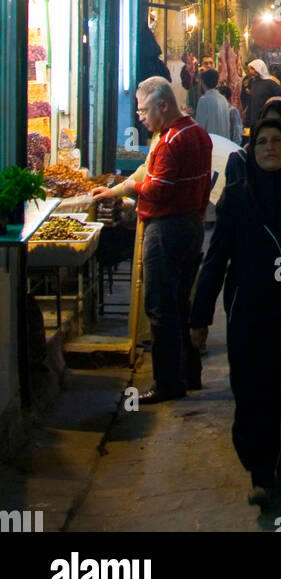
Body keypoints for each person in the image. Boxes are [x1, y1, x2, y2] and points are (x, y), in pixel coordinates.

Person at [190, 113, 281, 506]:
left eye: (276, 141)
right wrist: (200, 316)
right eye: (261, 143)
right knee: (254, 390)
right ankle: (260, 469)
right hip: (250, 311)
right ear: (251, 150)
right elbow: (216, 258)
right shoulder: (238, 196)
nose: (269, 148)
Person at [92, 77, 212, 403]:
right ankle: (189, 374)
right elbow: (145, 172)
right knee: (179, 303)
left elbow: (156, 188)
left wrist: (131, 200)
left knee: (160, 308)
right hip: (191, 225)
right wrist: (115, 191)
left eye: (144, 110)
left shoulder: (173, 140)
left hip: (166, 229)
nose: (140, 117)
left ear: (162, 105)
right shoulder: (195, 133)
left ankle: (167, 383)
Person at [244, 58, 281, 129]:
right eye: (250, 69)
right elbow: (251, 102)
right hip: (254, 120)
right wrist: (247, 120)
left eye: (252, 69)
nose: (250, 71)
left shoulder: (269, 83)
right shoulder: (253, 82)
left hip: (265, 119)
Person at [195, 67, 234, 140]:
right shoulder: (223, 99)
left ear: (203, 82)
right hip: (224, 143)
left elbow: (200, 129)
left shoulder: (204, 100)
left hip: (211, 144)